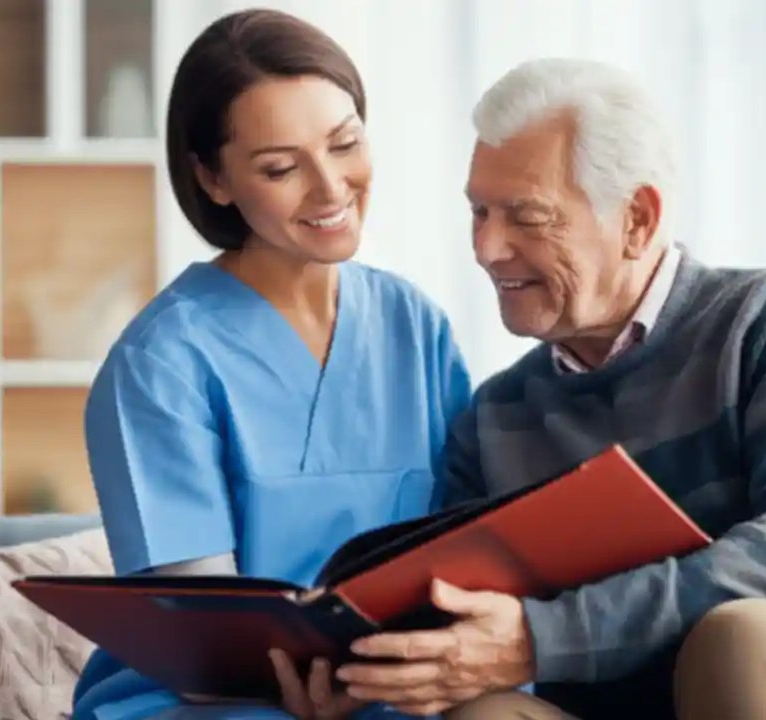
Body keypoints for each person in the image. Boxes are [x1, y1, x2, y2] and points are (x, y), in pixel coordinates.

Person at [332, 58, 766, 720]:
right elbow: (461, 631)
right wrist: (354, 678)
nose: (488, 247)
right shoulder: (499, 416)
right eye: (478, 211)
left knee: (739, 638)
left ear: (638, 218)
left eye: (525, 216)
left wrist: (545, 639)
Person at [69, 9, 492, 720]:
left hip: (399, 691)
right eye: (280, 167)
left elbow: (470, 546)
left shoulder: (413, 326)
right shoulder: (161, 363)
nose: (330, 188)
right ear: (213, 179)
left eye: (345, 143)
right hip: (223, 704)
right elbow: (205, 649)